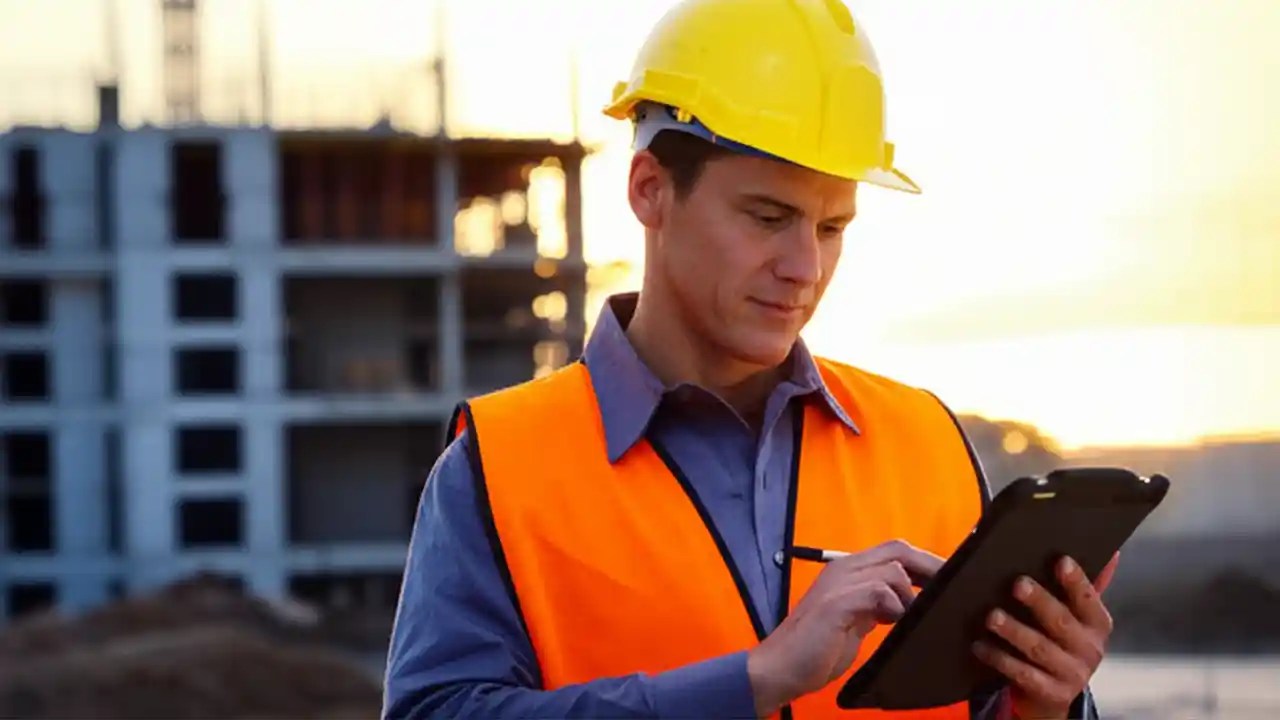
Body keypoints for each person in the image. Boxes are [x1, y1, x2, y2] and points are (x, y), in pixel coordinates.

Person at [383, 1, 1118, 717]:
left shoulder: (928, 445)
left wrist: (1046, 705)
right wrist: (757, 680)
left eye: (831, 227)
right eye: (769, 218)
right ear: (649, 190)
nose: (805, 268)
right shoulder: (500, 467)